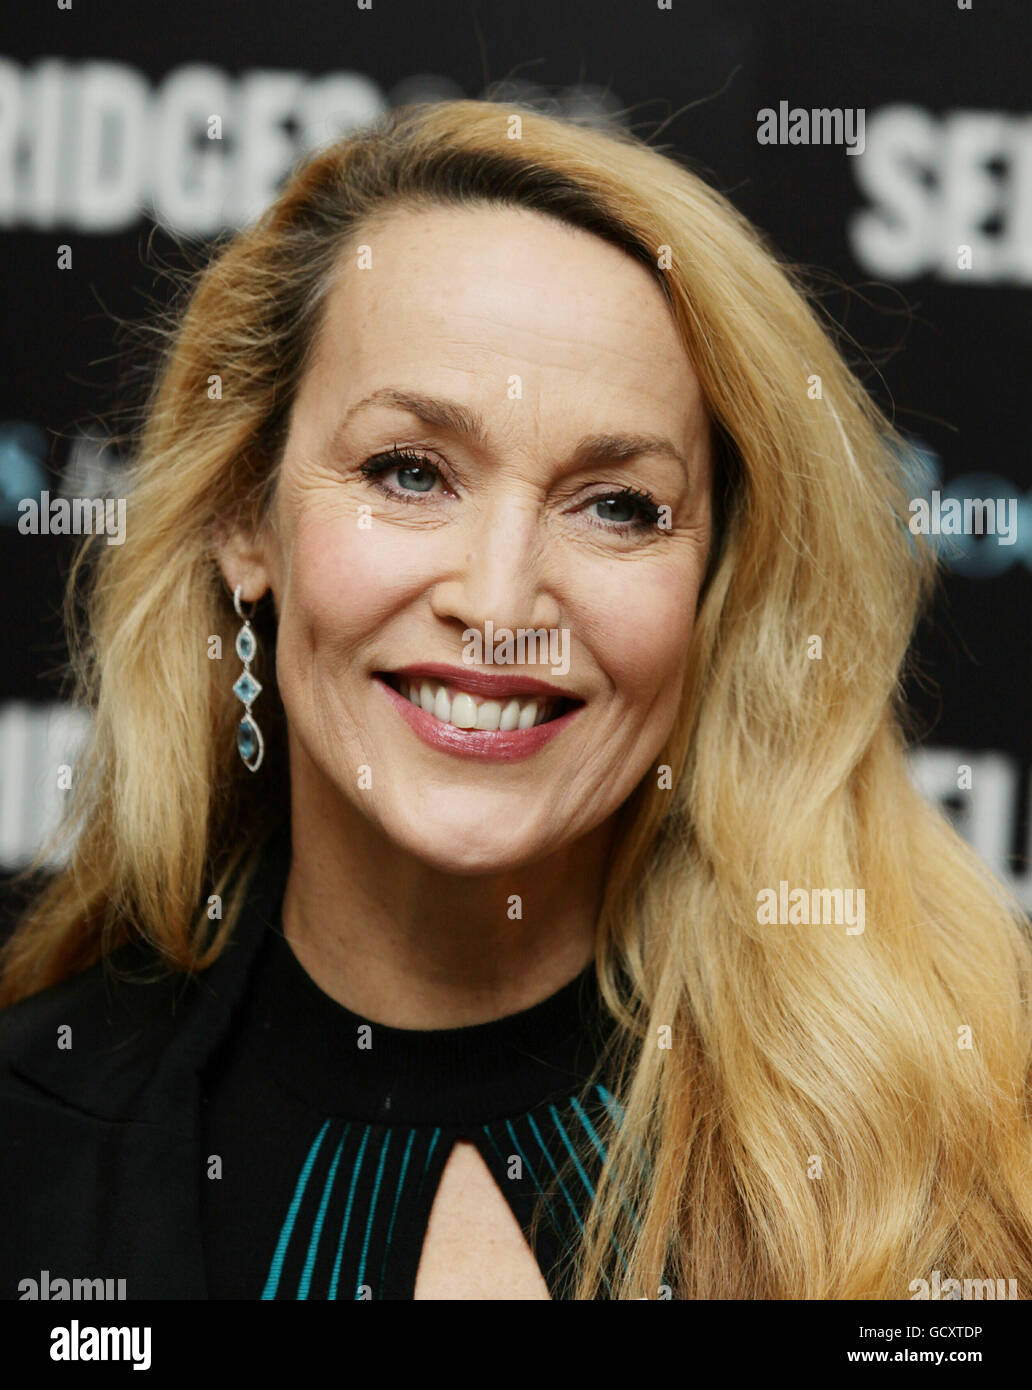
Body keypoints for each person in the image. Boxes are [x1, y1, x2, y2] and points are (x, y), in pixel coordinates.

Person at [2, 98, 1030, 1301]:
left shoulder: (968, 1154)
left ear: (717, 587)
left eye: (618, 505)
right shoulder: (32, 1145)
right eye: (408, 471)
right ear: (245, 515)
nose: (498, 602)